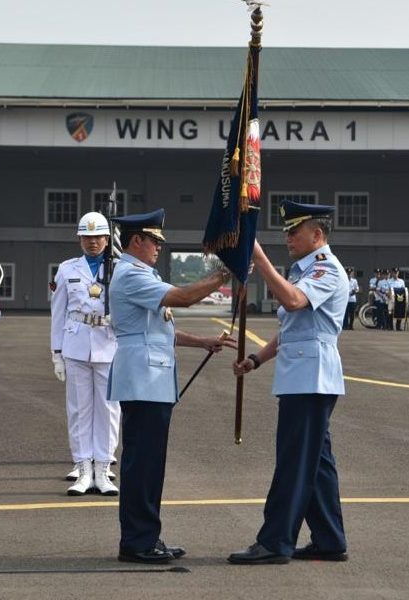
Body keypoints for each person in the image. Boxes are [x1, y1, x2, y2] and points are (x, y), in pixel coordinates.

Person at [108, 208, 234, 564]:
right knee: (143, 465)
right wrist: (224, 274)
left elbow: (162, 331)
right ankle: (137, 542)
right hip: (144, 380)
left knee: (148, 464)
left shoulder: (139, 274)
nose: (159, 247)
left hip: (150, 380)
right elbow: (183, 298)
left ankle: (146, 536)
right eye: (154, 240)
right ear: (136, 241)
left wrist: (203, 341)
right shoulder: (133, 275)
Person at [228, 200, 348, 565]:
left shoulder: (325, 269)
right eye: (286, 231)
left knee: (294, 463)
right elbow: (291, 330)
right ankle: (329, 538)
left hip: (311, 379)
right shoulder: (304, 269)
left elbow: (294, 302)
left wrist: (259, 260)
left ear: (318, 234)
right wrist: (256, 359)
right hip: (302, 375)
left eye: (294, 231)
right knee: (316, 464)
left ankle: (275, 542)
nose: (288, 237)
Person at [50, 212, 121, 496]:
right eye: (87, 237)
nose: (93, 242)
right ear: (80, 238)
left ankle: (103, 469)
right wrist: (56, 351)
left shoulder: (119, 267)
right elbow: (58, 313)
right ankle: (82, 468)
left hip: (109, 343)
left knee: (108, 411)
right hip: (76, 344)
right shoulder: (67, 269)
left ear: (107, 238)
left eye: (98, 237)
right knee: (79, 410)